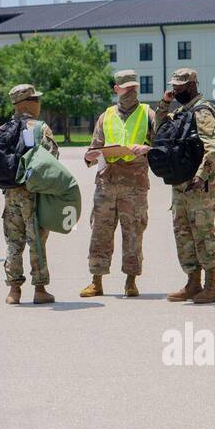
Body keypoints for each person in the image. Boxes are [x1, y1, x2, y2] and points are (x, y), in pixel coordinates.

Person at [81, 70, 155, 298]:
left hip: (135, 185)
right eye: (126, 88)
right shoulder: (106, 116)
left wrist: (147, 149)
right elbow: (93, 148)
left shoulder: (148, 114)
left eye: (134, 87)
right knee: (100, 233)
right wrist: (90, 156)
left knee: (133, 233)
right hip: (106, 184)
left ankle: (131, 281)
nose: (130, 91)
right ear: (116, 89)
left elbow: (162, 147)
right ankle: (96, 281)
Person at [154, 68, 215, 304]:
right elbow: (158, 130)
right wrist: (164, 103)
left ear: (193, 84)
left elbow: (213, 147)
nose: (176, 90)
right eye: (174, 85)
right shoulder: (181, 111)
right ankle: (192, 282)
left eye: (180, 86)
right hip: (180, 184)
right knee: (183, 233)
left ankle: (210, 286)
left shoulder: (203, 111)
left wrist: (201, 177)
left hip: (199, 185)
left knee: (202, 232)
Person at [1, 84, 59, 305]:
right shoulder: (41, 127)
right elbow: (52, 158)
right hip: (33, 193)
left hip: (10, 194)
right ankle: (40, 289)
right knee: (36, 239)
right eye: (36, 100)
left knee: (13, 241)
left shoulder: (6, 127)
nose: (39, 104)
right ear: (27, 104)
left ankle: (14, 291)